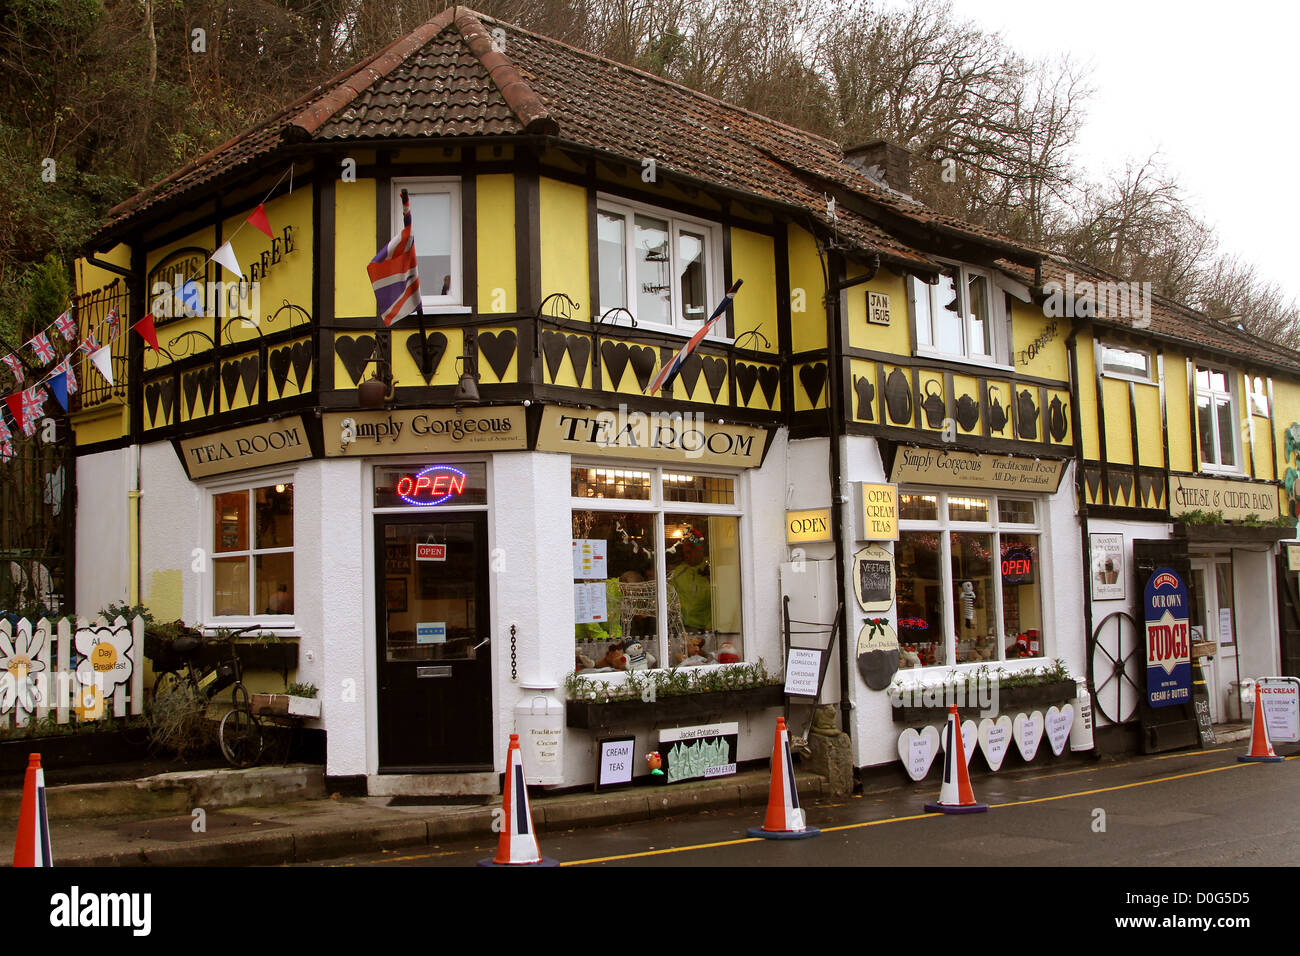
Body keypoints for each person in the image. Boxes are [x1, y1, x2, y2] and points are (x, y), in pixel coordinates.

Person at [669, 528, 711, 631]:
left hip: (705, 627)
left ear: (699, 551)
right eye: (685, 553)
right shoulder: (679, 571)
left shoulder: (710, 570)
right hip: (681, 626)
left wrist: (711, 625)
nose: (686, 556)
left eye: (689, 552)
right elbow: (668, 594)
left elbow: (718, 599)